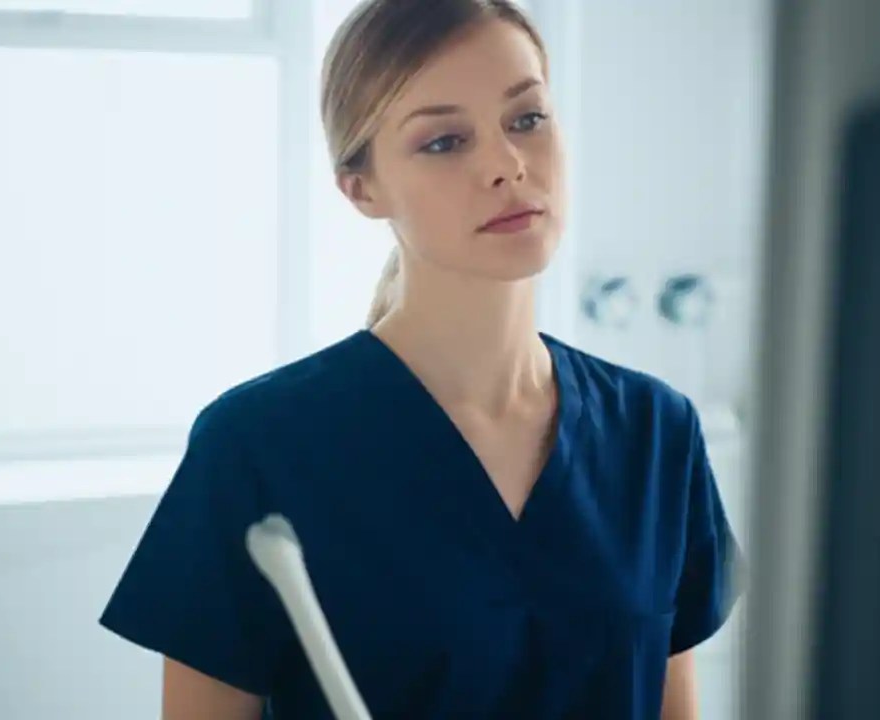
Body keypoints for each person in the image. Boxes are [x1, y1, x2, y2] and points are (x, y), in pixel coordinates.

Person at [99, 1, 742, 717]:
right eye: (444, 142)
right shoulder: (256, 447)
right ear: (362, 188)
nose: (506, 165)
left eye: (527, 119)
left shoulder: (657, 433)